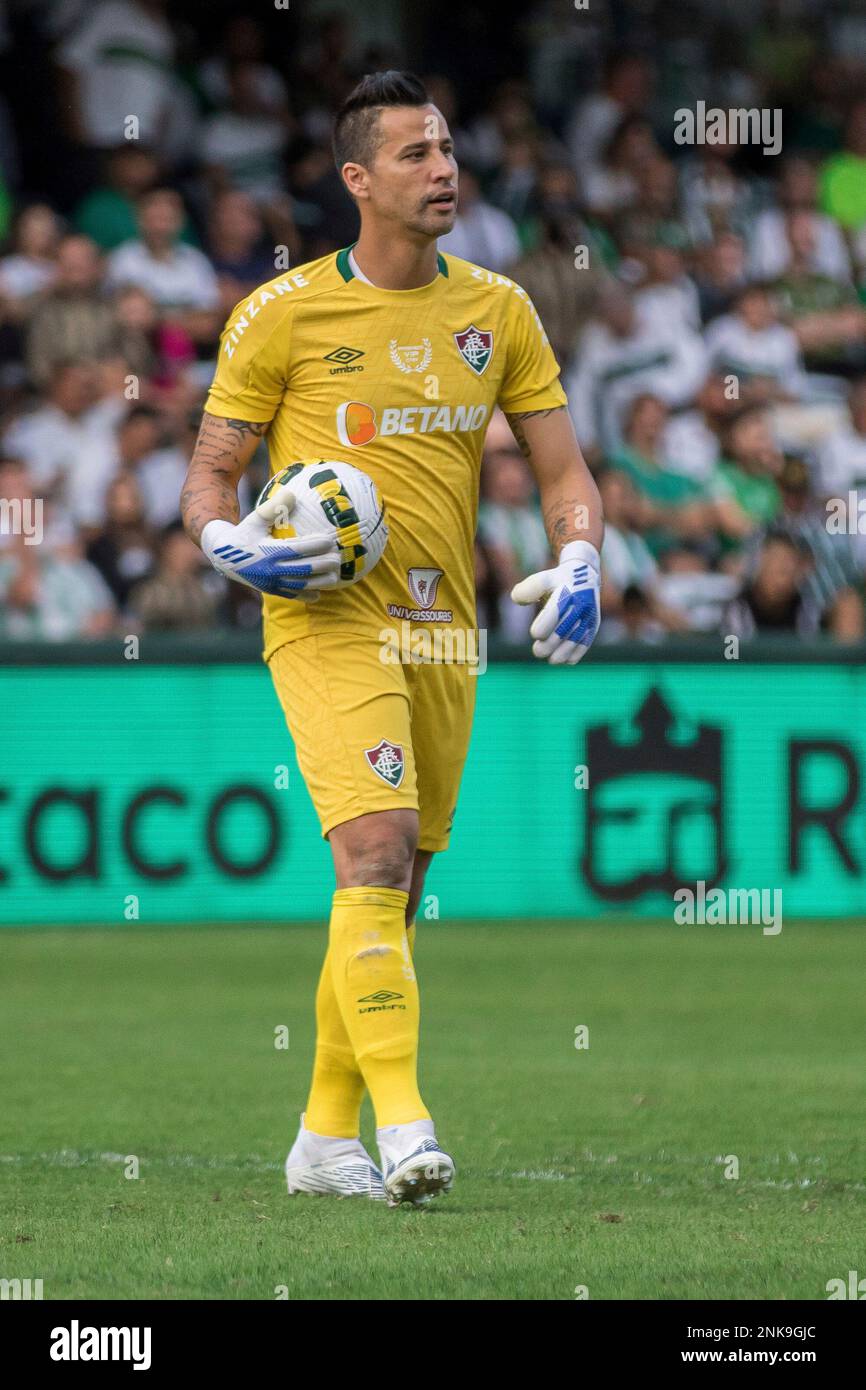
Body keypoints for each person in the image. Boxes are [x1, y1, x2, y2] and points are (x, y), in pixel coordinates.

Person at [181, 70, 603, 1208]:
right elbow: (209, 479)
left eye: (449, 149)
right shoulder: (280, 313)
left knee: (396, 888)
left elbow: (563, 472)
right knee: (368, 855)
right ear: (356, 178)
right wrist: (228, 545)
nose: (444, 170)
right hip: (325, 620)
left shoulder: (499, 311)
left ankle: (322, 1139)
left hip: (440, 633)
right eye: (416, 154)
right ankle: (407, 1126)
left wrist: (579, 557)